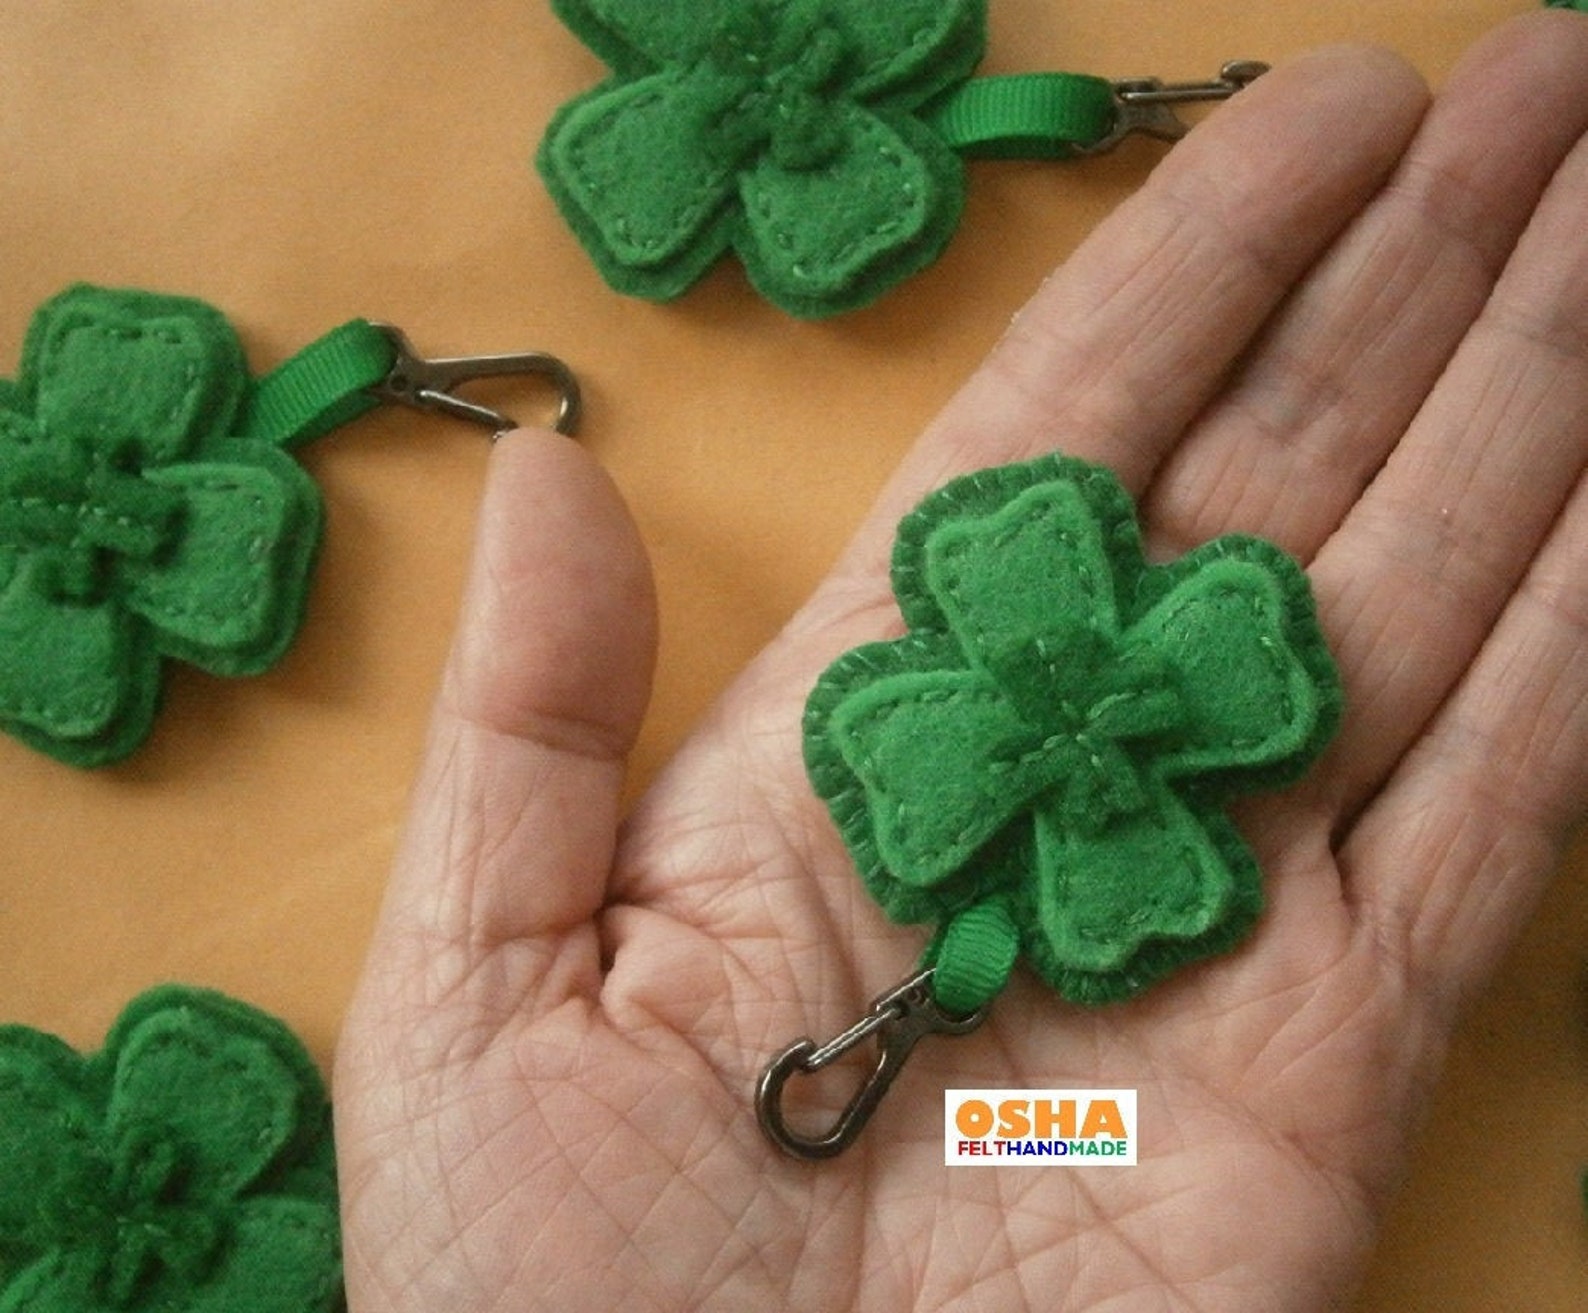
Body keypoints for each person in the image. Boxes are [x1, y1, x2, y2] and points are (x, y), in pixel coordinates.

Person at [333, 11, 1588, 1310]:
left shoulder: (1000, 1102)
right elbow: (1094, 1141)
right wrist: (1032, 1140)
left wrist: (1002, 1137)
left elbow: (1026, 1143)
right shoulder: (1048, 1085)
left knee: (983, 1115)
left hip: (992, 1110)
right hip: (1017, 1108)